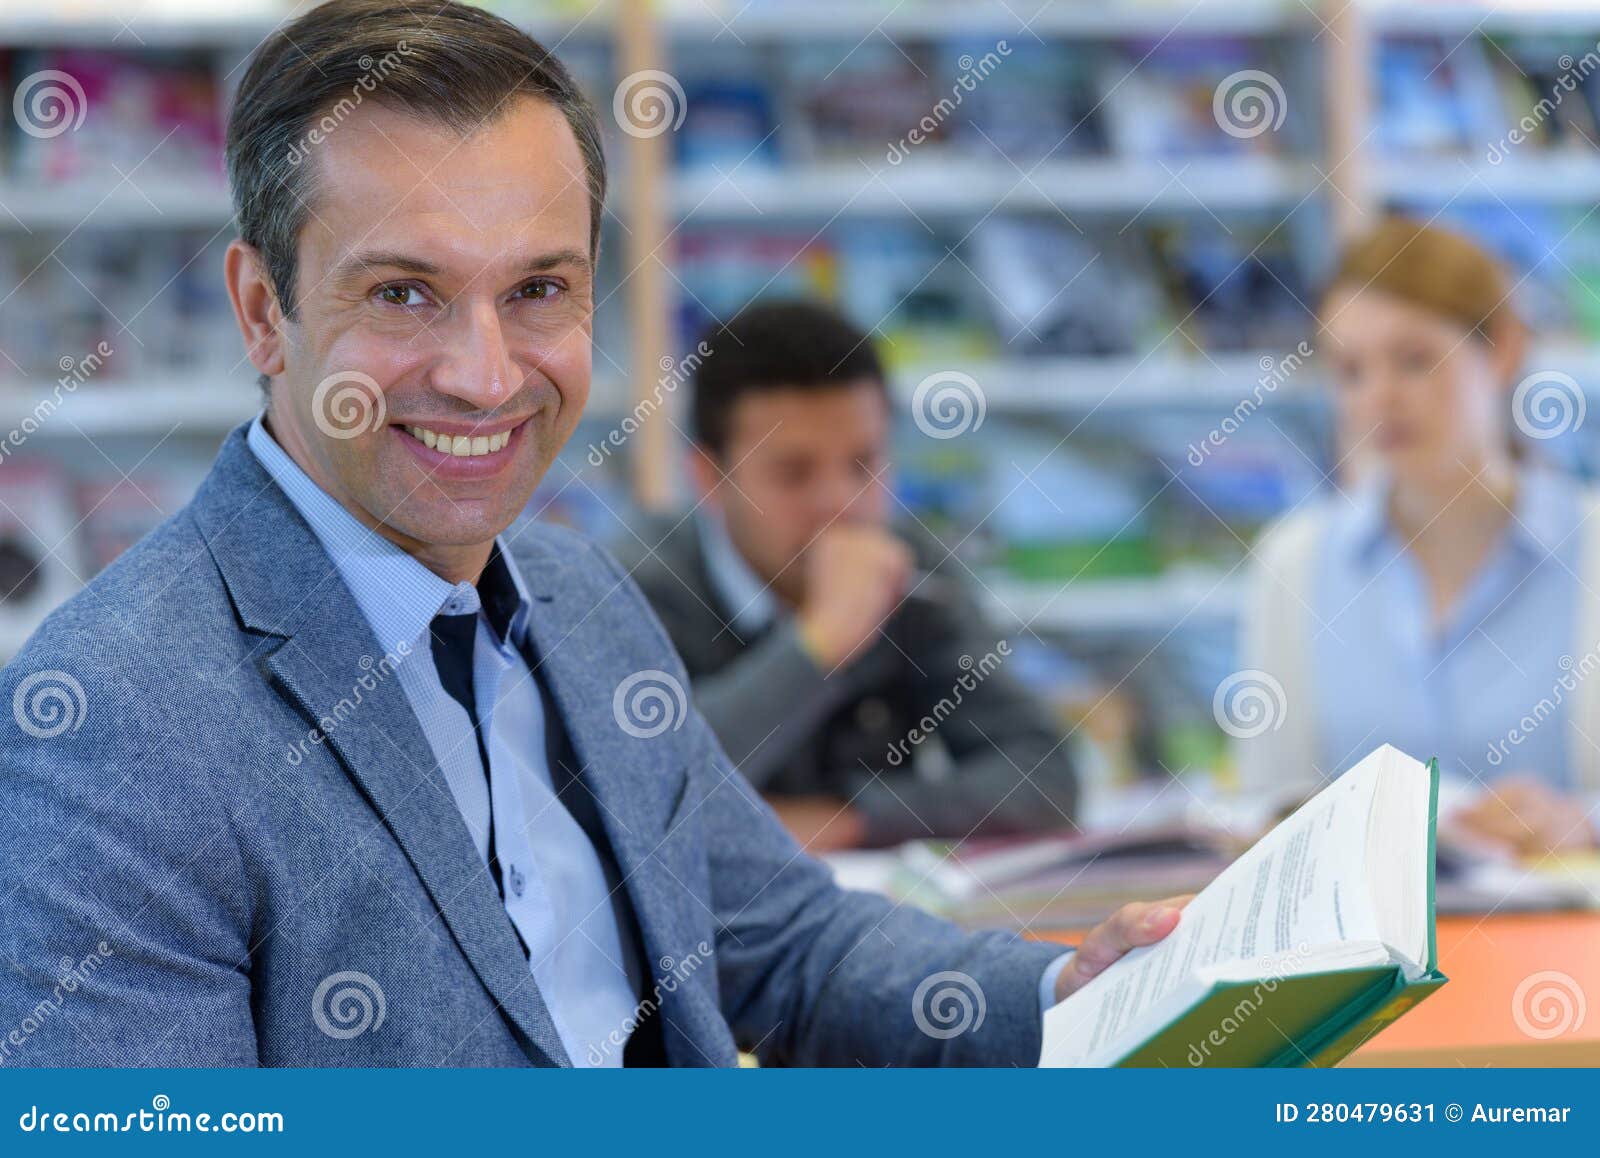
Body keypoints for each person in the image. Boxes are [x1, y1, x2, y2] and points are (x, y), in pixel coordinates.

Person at [0, 0, 1181, 1069]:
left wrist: (1061, 991)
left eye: (537, 291)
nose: (483, 375)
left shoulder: (584, 600)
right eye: (402, 292)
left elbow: (787, 948)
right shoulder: (113, 720)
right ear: (265, 310)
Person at [619, 301, 1078, 852]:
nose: (839, 504)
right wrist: (818, 645)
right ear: (709, 478)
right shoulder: (635, 589)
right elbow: (641, 787)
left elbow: (1045, 781)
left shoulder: (913, 572)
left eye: (863, 464)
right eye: (793, 473)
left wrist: (850, 819)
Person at [1237, 216, 1599, 855]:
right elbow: (1266, 811)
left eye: (1415, 360)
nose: (1380, 398)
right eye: (1350, 371)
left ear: (1504, 348)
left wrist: (1584, 824)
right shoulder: (1292, 563)